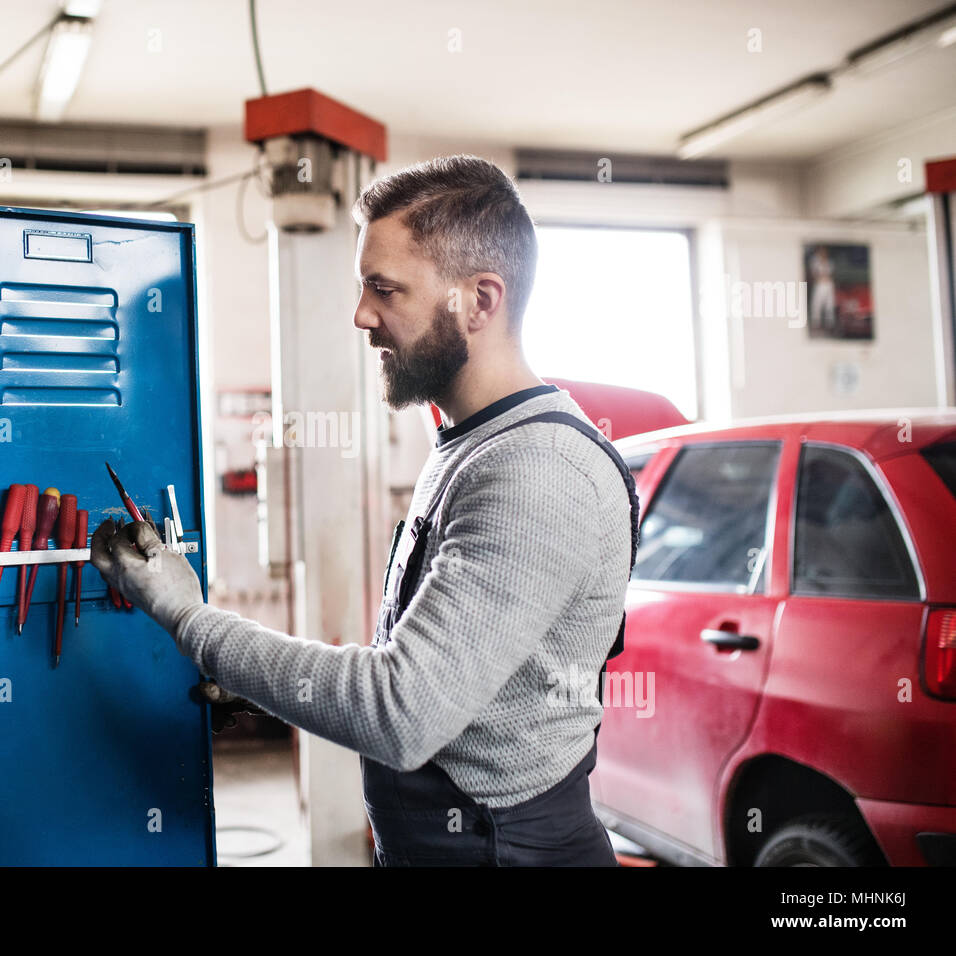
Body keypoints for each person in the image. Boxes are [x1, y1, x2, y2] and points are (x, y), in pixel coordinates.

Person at [90, 154, 635, 867]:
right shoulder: (471, 444)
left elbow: (402, 711)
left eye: (385, 289)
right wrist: (257, 684)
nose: (361, 316)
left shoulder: (535, 472)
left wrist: (191, 619)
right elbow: (441, 670)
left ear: (479, 300)